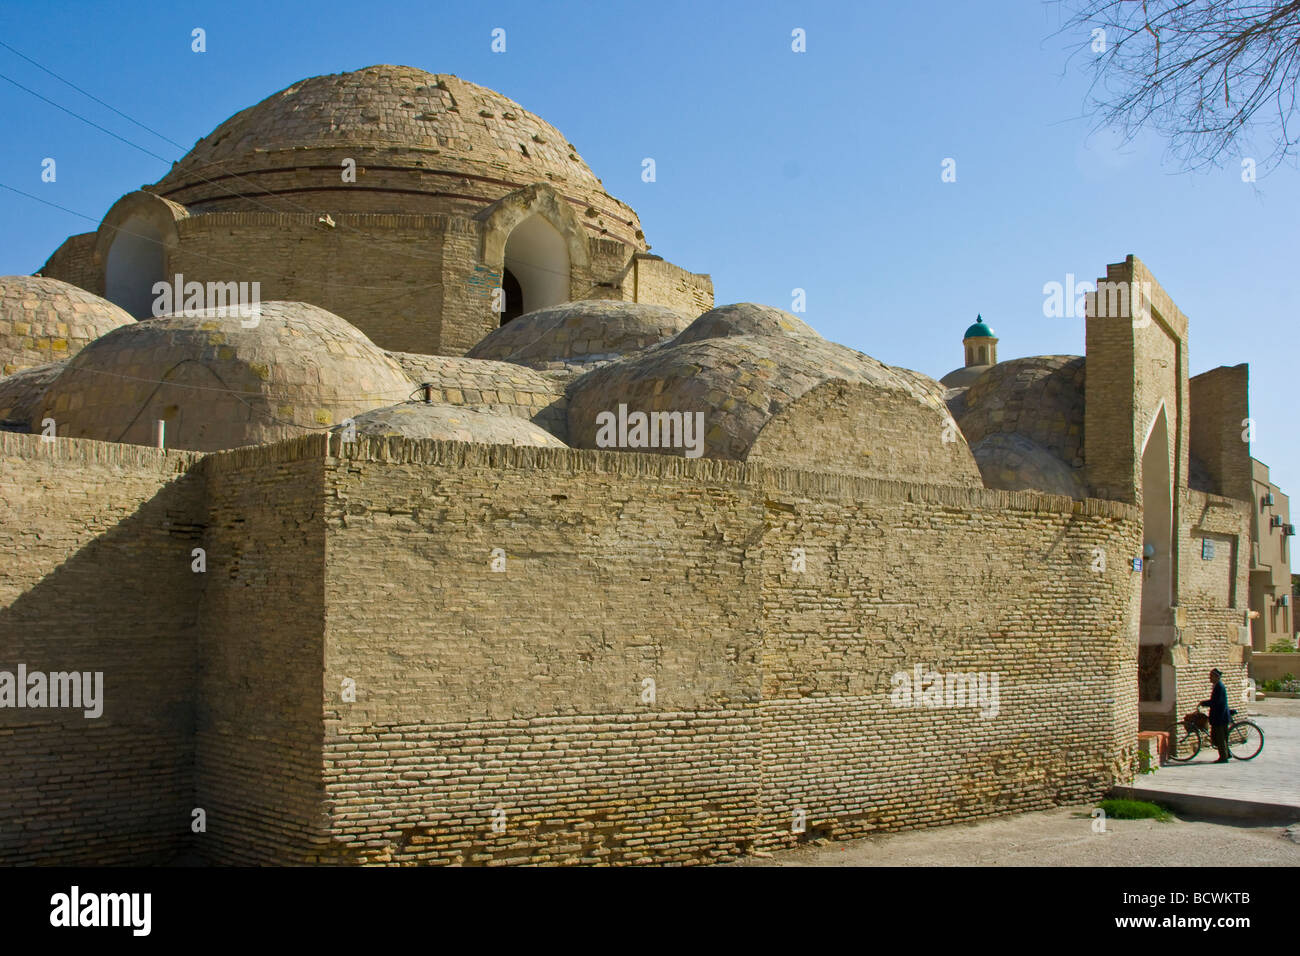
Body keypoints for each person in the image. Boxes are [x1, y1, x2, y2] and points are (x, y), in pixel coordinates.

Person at [1200, 668, 1231, 763]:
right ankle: (1227, 753)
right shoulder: (1217, 686)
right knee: (1220, 737)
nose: (1210, 678)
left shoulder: (1219, 687)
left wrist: (1204, 703)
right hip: (1218, 716)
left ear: (1216, 677)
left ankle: (1223, 757)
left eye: (1211, 676)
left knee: (1220, 738)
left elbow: (1216, 702)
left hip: (1220, 717)